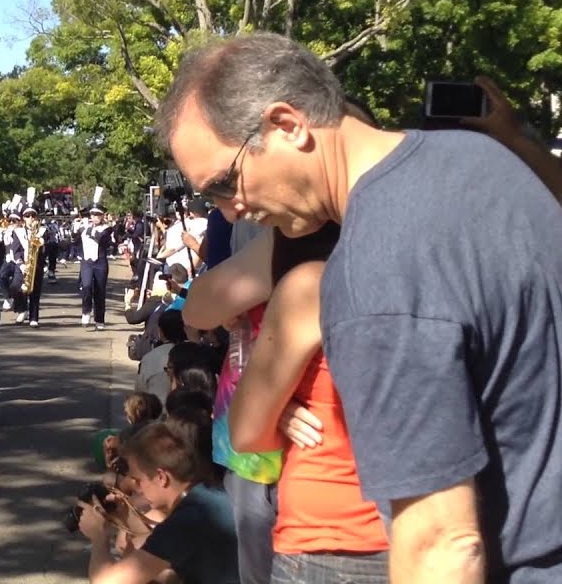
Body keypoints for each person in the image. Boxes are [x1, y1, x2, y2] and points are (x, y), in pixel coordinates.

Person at [158, 31, 562, 582]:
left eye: (225, 184)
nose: (231, 213)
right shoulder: (486, 158)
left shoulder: (374, 264)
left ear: (287, 125)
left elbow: (441, 543)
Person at [229, 223, 389, 583]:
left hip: (333, 537)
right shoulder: (450, 264)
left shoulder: (311, 286)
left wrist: (277, 407)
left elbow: (246, 433)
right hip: (439, 529)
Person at [79, 422, 240, 584]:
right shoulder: (207, 494)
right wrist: (126, 516)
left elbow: (106, 581)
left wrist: (99, 536)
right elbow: (156, 546)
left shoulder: (187, 521)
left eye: (138, 480)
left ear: (161, 477)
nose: (138, 489)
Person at [79, 188, 113, 331]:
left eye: (97, 215)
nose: (94, 217)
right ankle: (86, 311)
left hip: (100, 263)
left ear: (102, 216)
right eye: (92, 214)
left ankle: (99, 319)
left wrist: (90, 231)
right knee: (86, 286)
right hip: (87, 262)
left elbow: (104, 240)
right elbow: (74, 240)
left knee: (100, 291)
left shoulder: (107, 228)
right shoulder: (83, 227)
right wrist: (78, 230)